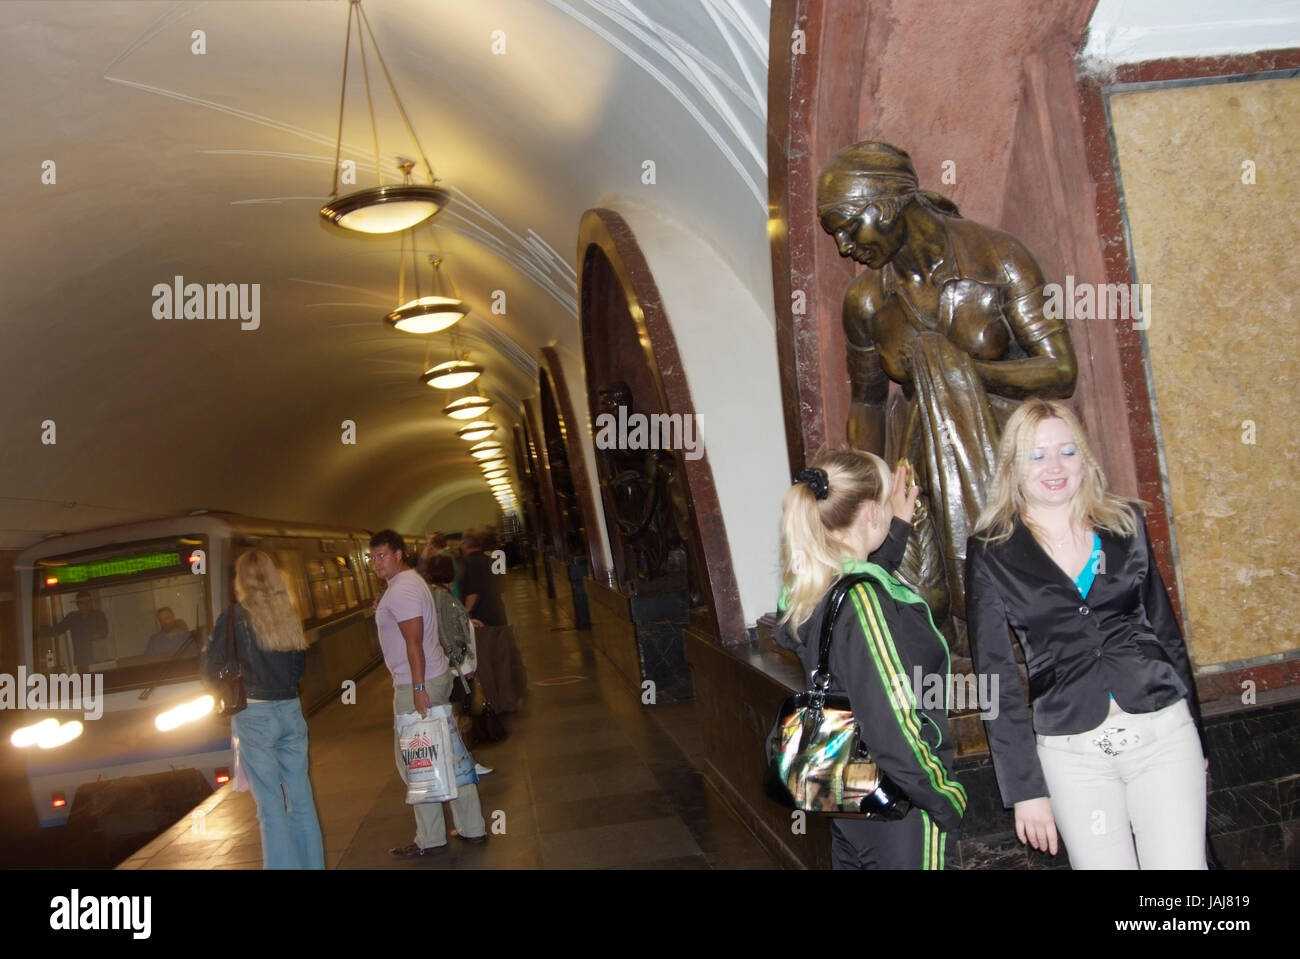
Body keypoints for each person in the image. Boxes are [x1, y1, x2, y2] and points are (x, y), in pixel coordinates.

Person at [817, 140, 1077, 629]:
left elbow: (1060, 370)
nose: (845, 247)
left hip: (1013, 450)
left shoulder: (999, 257)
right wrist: (869, 495)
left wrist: (957, 372)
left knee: (1031, 590)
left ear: (885, 208)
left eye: (849, 229)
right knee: (926, 599)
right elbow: (868, 404)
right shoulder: (866, 302)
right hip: (916, 457)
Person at [965, 398, 1208, 869]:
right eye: (1037, 455)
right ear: (1014, 466)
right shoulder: (992, 551)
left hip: (1163, 735)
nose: (1054, 467)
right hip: (1072, 756)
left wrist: (1198, 734)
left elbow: (1166, 633)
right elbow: (994, 678)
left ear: (1085, 459)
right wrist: (1024, 790)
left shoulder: (1125, 523)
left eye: (1067, 451)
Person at [778, 450, 967, 869]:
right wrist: (943, 795)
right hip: (898, 801)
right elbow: (891, 722)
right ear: (868, 512)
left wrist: (894, 527)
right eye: (885, 502)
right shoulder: (861, 602)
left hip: (847, 793)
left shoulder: (818, 589)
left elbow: (861, 574)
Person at [202, 551, 325, 870]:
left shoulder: (233, 617)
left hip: (255, 715)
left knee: (270, 806)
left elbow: (211, 669)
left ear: (240, 580)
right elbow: (298, 669)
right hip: (290, 712)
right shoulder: (288, 613)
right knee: (301, 799)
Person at [370, 529, 487, 857]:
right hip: (428, 679)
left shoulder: (404, 588)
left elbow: (414, 642)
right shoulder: (404, 584)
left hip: (416, 684)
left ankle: (431, 838)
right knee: (447, 754)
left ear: (398, 554)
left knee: (416, 760)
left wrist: (419, 689)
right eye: (372, 557)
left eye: (382, 555)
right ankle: (472, 825)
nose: (376, 562)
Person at [424, 553, 492, 777]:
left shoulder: (426, 596)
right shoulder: (449, 600)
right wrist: (468, 666)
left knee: (447, 717)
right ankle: (464, 763)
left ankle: (457, 762)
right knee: (461, 718)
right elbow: (455, 639)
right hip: (455, 671)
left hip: (435, 669)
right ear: (450, 577)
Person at [459, 529, 521, 714]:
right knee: (502, 663)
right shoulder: (493, 560)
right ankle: (509, 702)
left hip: (481, 623)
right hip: (500, 618)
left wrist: (466, 614)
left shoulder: (469, 564)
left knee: (485, 666)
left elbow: (473, 592)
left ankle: (494, 705)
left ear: (467, 545)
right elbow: (503, 587)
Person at [42, 591, 110, 670]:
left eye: (88, 601)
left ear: (91, 602)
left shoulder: (98, 615)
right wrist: (37, 632)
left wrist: (94, 636)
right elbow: (57, 630)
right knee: (84, 681)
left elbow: (104, 632)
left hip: (100, 660)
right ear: (77, 604)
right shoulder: (73, 617)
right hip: (82, 662)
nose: (86, 605)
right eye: (82, 602)